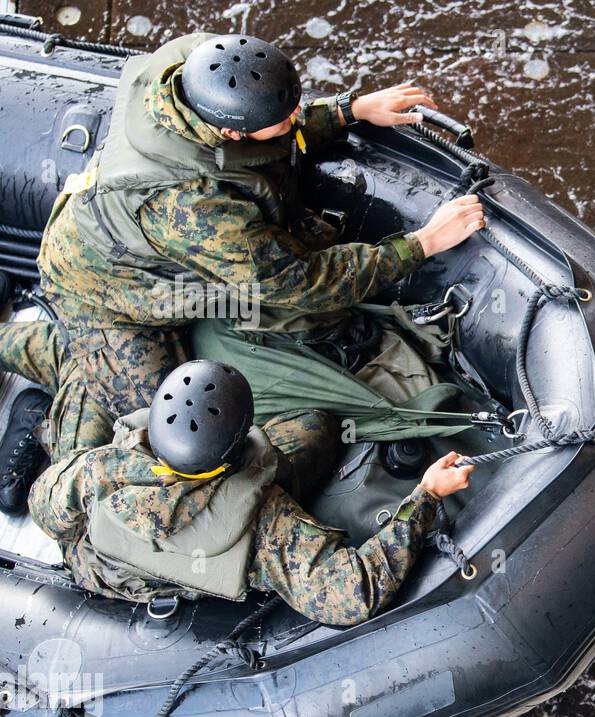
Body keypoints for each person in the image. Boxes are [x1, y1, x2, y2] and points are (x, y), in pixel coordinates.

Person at [31, 31, 483, 480]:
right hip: (106, 295)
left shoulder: (197, 68)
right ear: (230, 130)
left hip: (156, 258)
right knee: (170, 429)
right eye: (282, 118)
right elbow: (302, 283)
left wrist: (347, 110)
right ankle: (51, 416)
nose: (292, 121)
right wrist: (421, 243)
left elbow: (273, 129)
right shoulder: (195, 208)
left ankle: (56, 352)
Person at [24, 357, 472, 626]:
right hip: (206, 547)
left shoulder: (98, 468)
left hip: (100, 567)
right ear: (235, 449)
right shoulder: (269, 523)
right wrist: (425, 497)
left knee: (80, 379)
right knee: (316, 426)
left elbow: (46, 511)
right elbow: (351, 593)